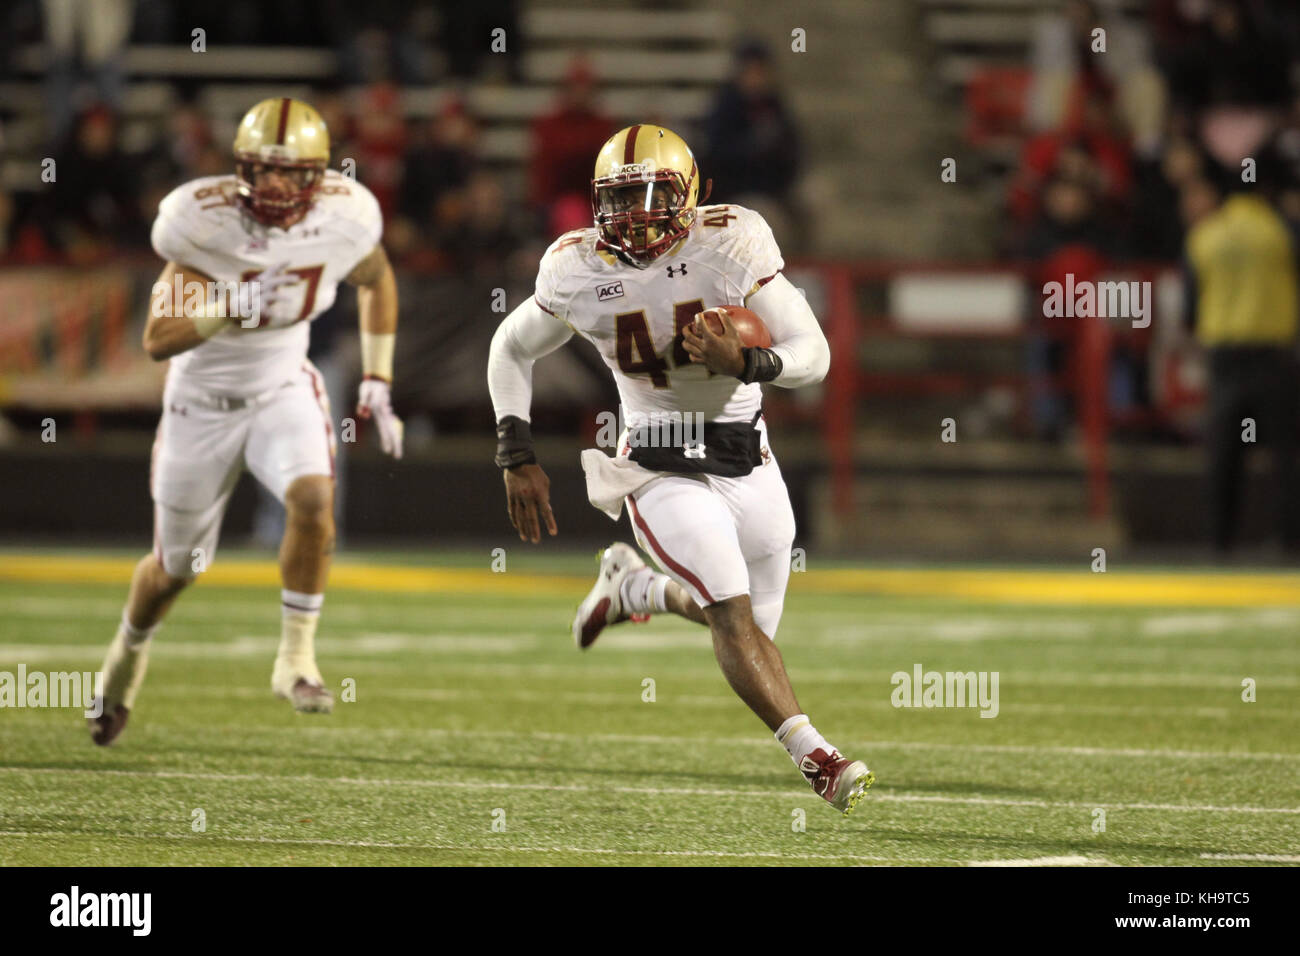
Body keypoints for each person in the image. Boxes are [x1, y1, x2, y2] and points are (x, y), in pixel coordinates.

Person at [487, 124, 873, 815]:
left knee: (750, 623)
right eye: (618, 200)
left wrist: (752, 363)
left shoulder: (729, 241)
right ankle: (816, 755)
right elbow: (511, 347)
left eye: (652, 194)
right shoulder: (577, 266)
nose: (634, 216)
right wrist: (515, 450)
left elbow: (812, 352)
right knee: (730, 608)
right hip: (656, 459)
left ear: (692, 192)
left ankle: (635, 590)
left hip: (745, 454)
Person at [89, 98, 405, 745]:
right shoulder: (201, 225)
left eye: (291, 173)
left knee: (314, 497)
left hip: (283, 386)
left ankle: (295, 659)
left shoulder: (345, 217)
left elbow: (377, 278)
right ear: (240, 169)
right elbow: (158, 337)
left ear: (319, 175)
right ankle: (123, 662)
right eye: (261, 170)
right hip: (199, 406)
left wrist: (378, 377)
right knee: (173, 571)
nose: (275, 186)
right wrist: (227, 306)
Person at [1185, 166, 1300, 555]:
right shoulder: (1281, 231)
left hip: (1225, 356)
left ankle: (1220, 541)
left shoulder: (1206, 234)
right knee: (1287, 454)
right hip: (1273, 355)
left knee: (1222, 453)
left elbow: (1190, 302)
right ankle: (1290, 539)